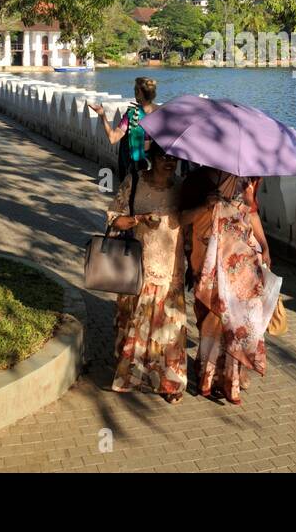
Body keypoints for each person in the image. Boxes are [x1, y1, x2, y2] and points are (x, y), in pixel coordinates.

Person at [104, 142, 188, 404]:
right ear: (151, 157)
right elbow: (113, 217)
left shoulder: (183, 188)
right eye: (163, 156)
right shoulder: (135, 181)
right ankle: (134, 375)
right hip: (139, 267)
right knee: (136, 322)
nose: (169, 162)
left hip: (172, 269)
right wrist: (139, 219)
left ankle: (170, 381)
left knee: (170, 328)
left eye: (174, 157)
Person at [186, 172, 277, 405]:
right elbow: (182, 219)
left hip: (240, 265)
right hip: (207, 261)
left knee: (238, 321)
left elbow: (252, 213)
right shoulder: (198, 180)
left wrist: (265, 246)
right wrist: (206, 206)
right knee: (213, 319)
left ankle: (230, 379)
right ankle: (207, 377)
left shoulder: (246, 181)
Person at [89, 77, 158, 186]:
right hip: (157, 170)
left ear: (139, 92)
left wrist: (102, 115)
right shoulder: (163, 114)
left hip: (136, 170)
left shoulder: (132, 114)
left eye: (135, 90)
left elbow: (113, 138)